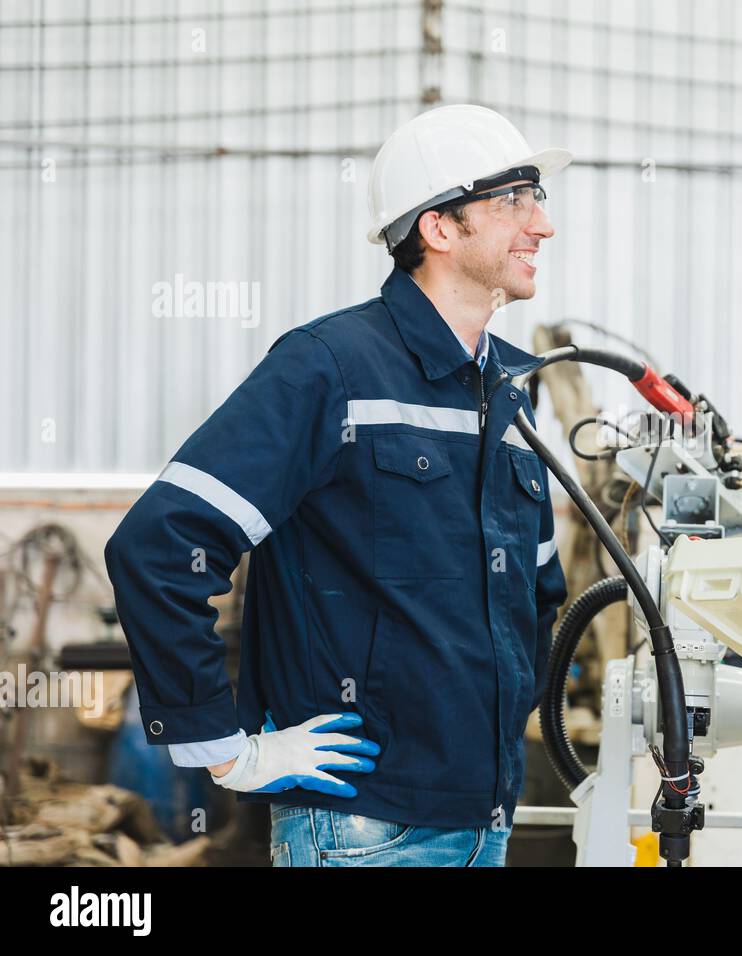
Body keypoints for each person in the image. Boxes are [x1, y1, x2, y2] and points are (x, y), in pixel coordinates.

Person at [105, 104, 570, 866]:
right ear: (439, 228)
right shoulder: (330, 367)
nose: (541, 225)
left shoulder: (508, 386)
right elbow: (159, 547)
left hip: (484, 819)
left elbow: (538, 593)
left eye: (538, 198)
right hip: (366, 834)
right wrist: (228, 751)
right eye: (513, 200)